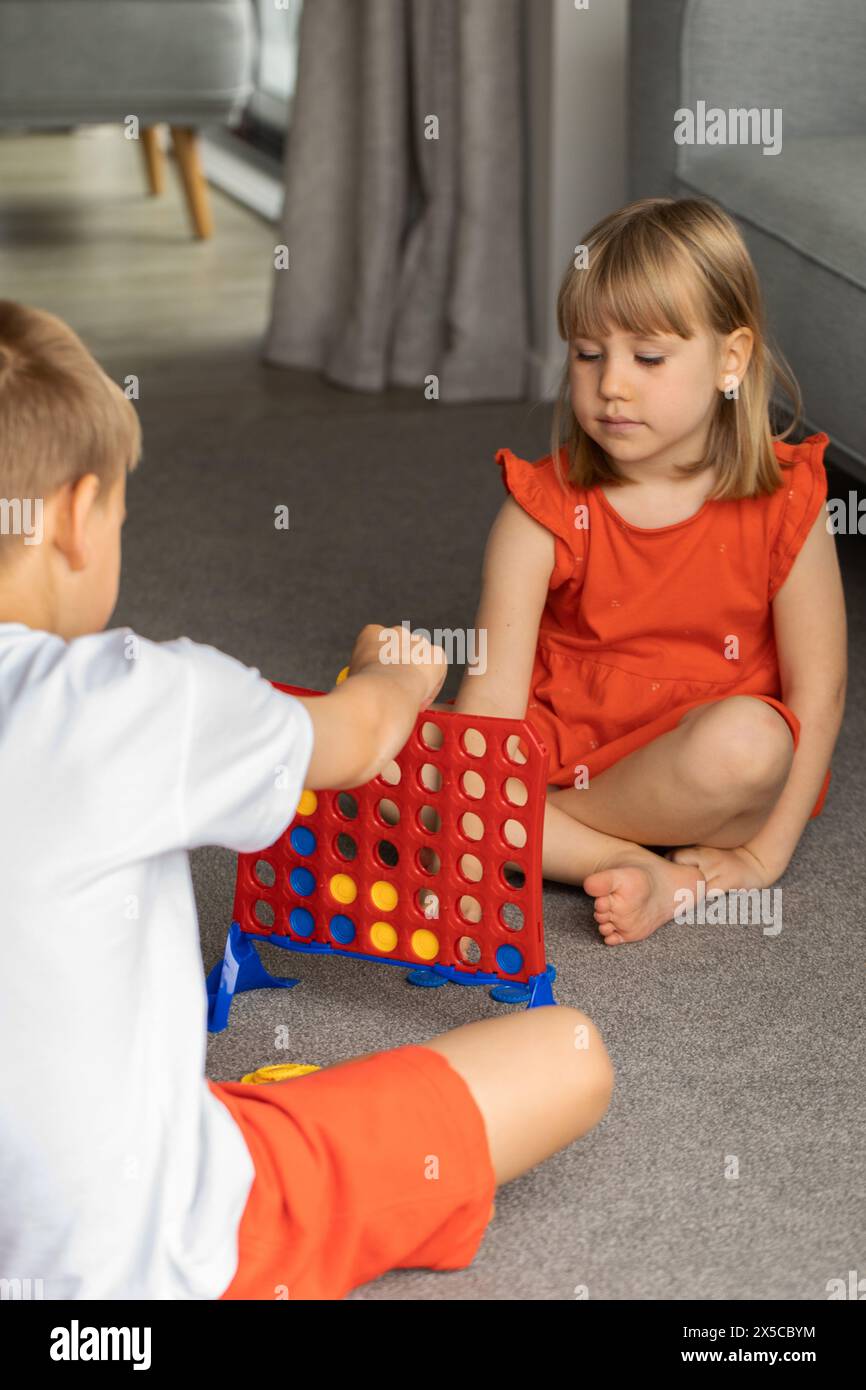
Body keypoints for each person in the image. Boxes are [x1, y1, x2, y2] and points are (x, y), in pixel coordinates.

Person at [0, 300, 613, 1300]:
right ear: (74, 516)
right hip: (147, 1255)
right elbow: (358, 741)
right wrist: (397, 675)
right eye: (120, 510)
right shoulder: (141, 697)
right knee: (568, 1052)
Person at [455, 198, 847, 945]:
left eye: (649, 357)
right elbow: (490, 703)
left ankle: (532, 842)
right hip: (562, 752)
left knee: (752, 745)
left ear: (730, 361)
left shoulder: (787, 498)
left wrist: (764, 856)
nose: (612, 386)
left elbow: (818, 692)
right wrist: (473, 803)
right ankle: (643, 867)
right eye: (588, 353)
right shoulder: (538, 512)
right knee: (426, 764)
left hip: (712, 773)